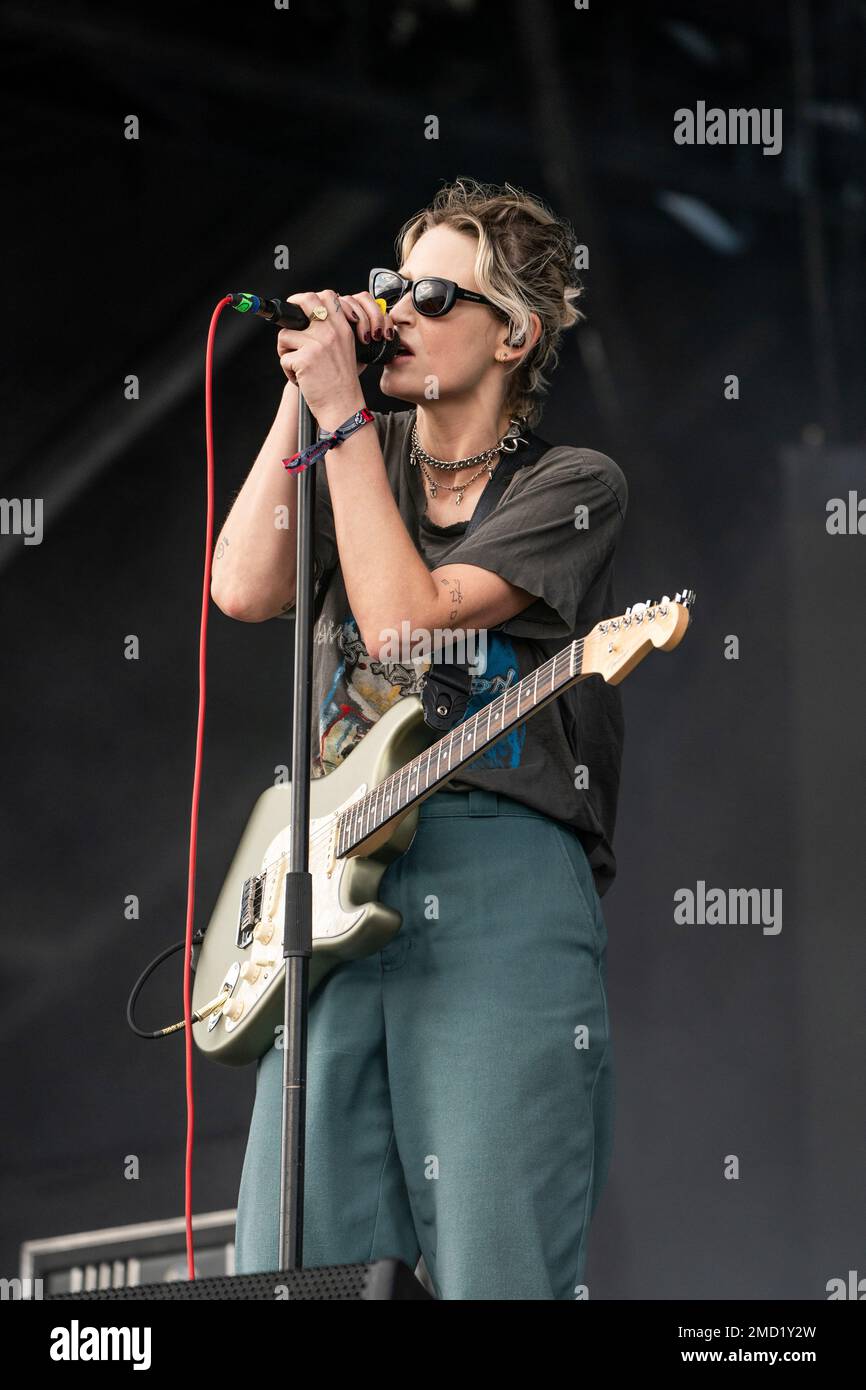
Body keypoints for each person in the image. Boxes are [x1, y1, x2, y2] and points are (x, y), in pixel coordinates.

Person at [211, 176, 627, 1300]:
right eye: (389, 286)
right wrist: (309, 398)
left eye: (431, 294)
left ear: (514, 334)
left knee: (497, 1254)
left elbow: (407, 624)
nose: (393, 311)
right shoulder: (362, 451)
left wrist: (344, 417)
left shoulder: (572, 483)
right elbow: (243, 584)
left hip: (501, 875)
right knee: (303, 1264)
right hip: (335, 878)